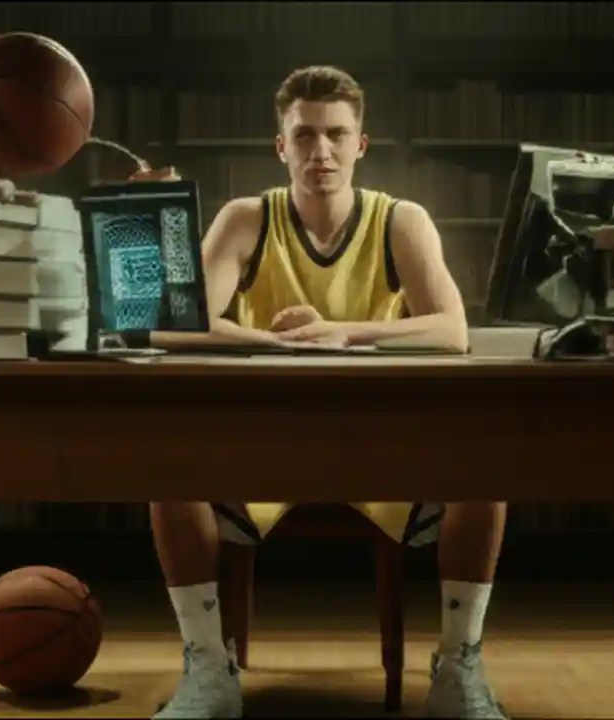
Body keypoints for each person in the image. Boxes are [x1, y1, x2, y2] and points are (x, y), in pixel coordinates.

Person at [150, 64, 508, 720]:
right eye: (305, 135)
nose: (322, 151)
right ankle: (208, 667)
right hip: (264, 448)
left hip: (380, 449)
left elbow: (453, 330)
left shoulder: (400, 221)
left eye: (337, 135)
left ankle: (459, 666)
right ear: (280, 146)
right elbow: (173, 326)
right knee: (168, 468)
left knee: (486, 467)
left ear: (360, 144)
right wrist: (274, 344)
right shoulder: (247, 218)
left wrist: (341, 332)